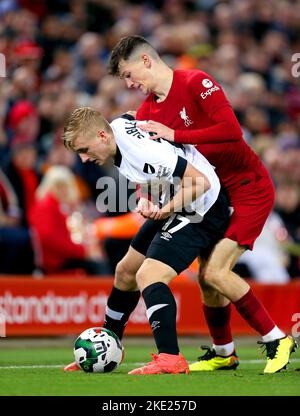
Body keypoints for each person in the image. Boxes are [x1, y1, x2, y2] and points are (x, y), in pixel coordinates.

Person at [103, 35, 296, 374]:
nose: (129, 84)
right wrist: (146, 197)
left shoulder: (196, 81)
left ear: (146, 60)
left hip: (248, 188)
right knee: (206, 279)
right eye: (124, 80)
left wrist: (175, 134)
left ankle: (277, 339)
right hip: (211, 197)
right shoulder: (147, 110)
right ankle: (224, 352)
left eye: (128, 74)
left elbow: (232, 131)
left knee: (216, 272)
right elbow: (148, 166)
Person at [62, 106, 231, 374]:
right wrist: (147, 194)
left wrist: (163, 209)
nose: (83, 159)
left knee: (149, 275)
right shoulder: (119, 126)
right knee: (125, 270)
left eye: (84, 149)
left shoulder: (141, 154)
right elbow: (133, 115)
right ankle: (106, 344)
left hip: (202, 208)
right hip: (177, 200)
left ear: (102, 136)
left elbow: (199, 183)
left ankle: (170, 358)